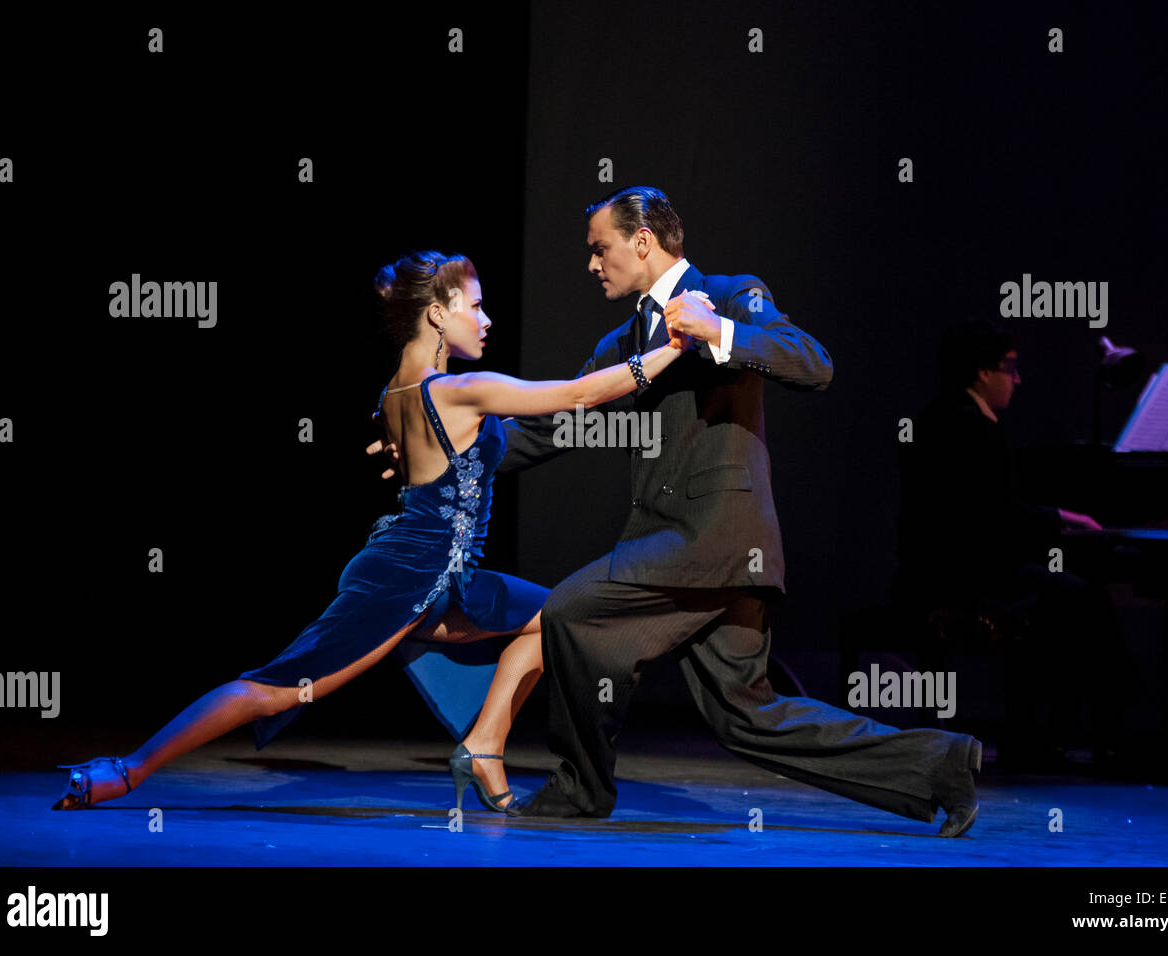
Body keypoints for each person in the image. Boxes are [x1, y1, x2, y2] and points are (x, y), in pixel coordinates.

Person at [372, 187, 984, 836]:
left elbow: (814, 363)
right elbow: (553, 426)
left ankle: (581, 788)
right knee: (747, 717)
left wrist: (717, 331)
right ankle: (942, 765)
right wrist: (438, 454)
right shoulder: (626, 339)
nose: (591, 263)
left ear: (643, 242)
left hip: (715, 536)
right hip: (685, 548)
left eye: (599, 248)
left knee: (571, 611)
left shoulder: (729, 293)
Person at [49, 249, 696, 814]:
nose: (487, 318)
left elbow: (429, 459)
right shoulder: (456, 389)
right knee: (273, 690)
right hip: (405, 578)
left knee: (563, 615)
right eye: (475, 304)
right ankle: (125, 770)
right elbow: (578, 396)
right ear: (437, 313)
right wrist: (670, 347)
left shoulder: (397, 391)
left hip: (450, 581)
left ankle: (484, 748)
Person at [895, 318, 1132, 766]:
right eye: (1011, 368)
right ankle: (1085, 736)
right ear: (983, 372)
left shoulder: (940, 416)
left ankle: (1047, 735)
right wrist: (1062, 518)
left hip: (936, 568)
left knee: (1064, 596)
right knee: (1078, 600)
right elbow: (993, 515)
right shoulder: (970, 426)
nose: (1017, 380)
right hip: (959, 577)